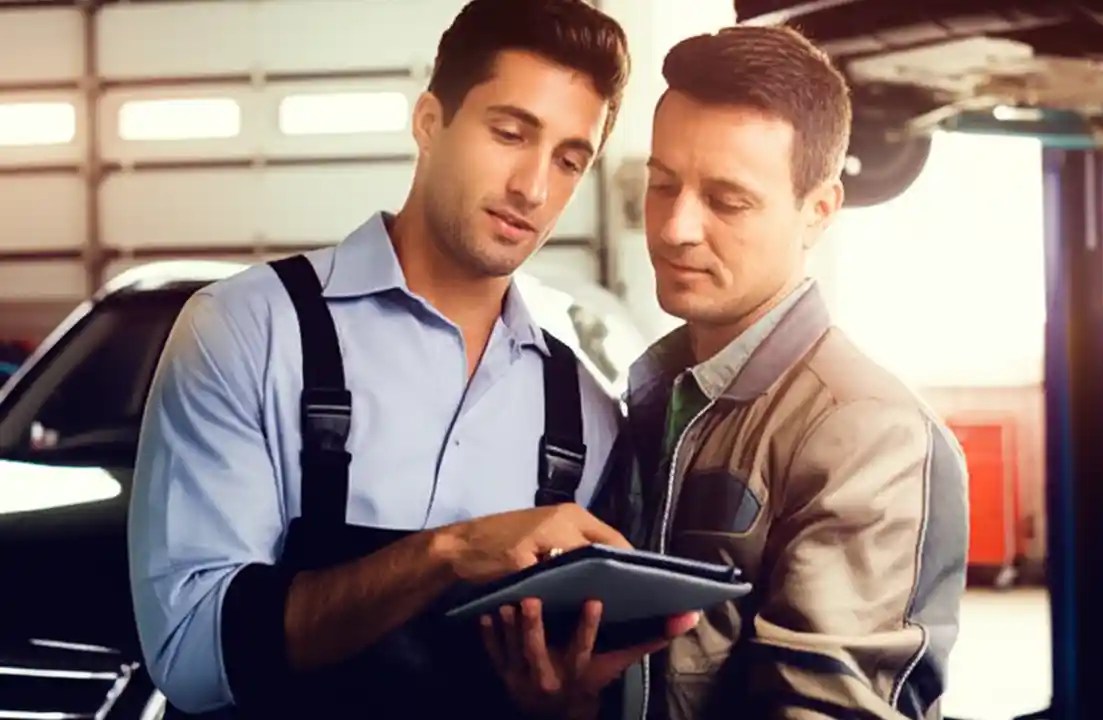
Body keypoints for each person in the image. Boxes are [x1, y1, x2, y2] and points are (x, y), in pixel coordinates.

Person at [127, 2, 695, 718]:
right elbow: (193, 656)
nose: (534, 188)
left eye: (568, 159)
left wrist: (566, 703)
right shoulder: (248, 331)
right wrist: (449, 552)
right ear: (430, 122)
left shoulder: (583, 415)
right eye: (510, 133)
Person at [591, 25, 970, 720]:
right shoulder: (657, 393)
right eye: (663, 184)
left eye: (727, 201)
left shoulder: (864, 434)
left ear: (818, 211)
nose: (675, 228)